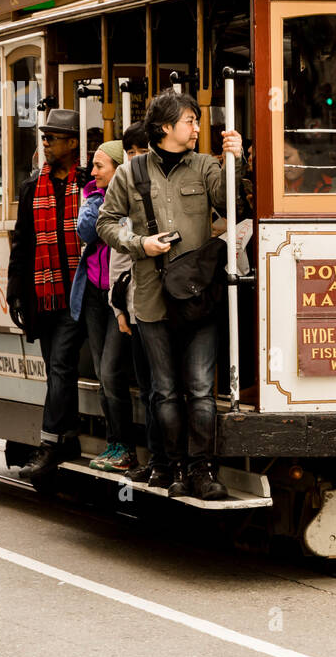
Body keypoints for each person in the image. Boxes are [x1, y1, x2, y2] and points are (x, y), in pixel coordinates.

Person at [97, 91, 243, 501]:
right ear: (165, 128)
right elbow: (105, 225)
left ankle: (201, 470)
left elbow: (234, 205)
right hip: (151, 295)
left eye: (197, 122)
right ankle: (174, 467)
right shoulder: (130, 173)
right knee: (163, 389)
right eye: (190, 121)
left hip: (199, 296)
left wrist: (237, 160)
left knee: (199, 388)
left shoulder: (205, 166)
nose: (197, 128)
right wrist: (141, 244)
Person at [7, 109, 89, 481]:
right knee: (57, 371)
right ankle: (67, 437)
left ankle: (50, 445)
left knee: (60, 366)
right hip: (44, 293)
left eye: (52, 138)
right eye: (44, 137)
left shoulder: (86, 182)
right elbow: (22, 243)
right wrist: (16, 295)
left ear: (72, 143)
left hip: (80, 291)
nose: (46, 143)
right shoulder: (31, 187)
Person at [70, 138, 136, 473]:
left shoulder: (128, 198)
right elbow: (84, 231)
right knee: (101, 373)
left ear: (117, 167)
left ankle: (125, 447)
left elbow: (101, 230)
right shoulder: (92, 196)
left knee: (112, 370)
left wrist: (104, 202)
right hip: (95, 295)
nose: (92, 171)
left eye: (99, 166)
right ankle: (114, 444)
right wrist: (97, 197)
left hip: (119, 297)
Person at [108, 123, 166, 484]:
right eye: (132, 152)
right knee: (150, 388)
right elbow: (118, 256)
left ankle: (167, 460)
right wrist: (119, 309)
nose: (137, 159)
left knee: (162, 388)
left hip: (165, 305)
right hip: (137, 303)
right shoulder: (127, 190)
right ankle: (158, 458)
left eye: (143, 151)